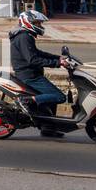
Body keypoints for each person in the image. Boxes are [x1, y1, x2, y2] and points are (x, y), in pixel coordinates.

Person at [10, 9, 69, 137]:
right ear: (28, 22)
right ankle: (27, 100)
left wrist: (57, 58)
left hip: (32, 75)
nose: (40, 26)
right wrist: (57, 64)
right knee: (59, 96)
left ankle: (48, 128)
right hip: (29, 77)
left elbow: (37, 53)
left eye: (40, 23)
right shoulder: (23, 36)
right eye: (37, 23)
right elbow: (32, 59)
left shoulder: (25, 35)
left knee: (50, 98)